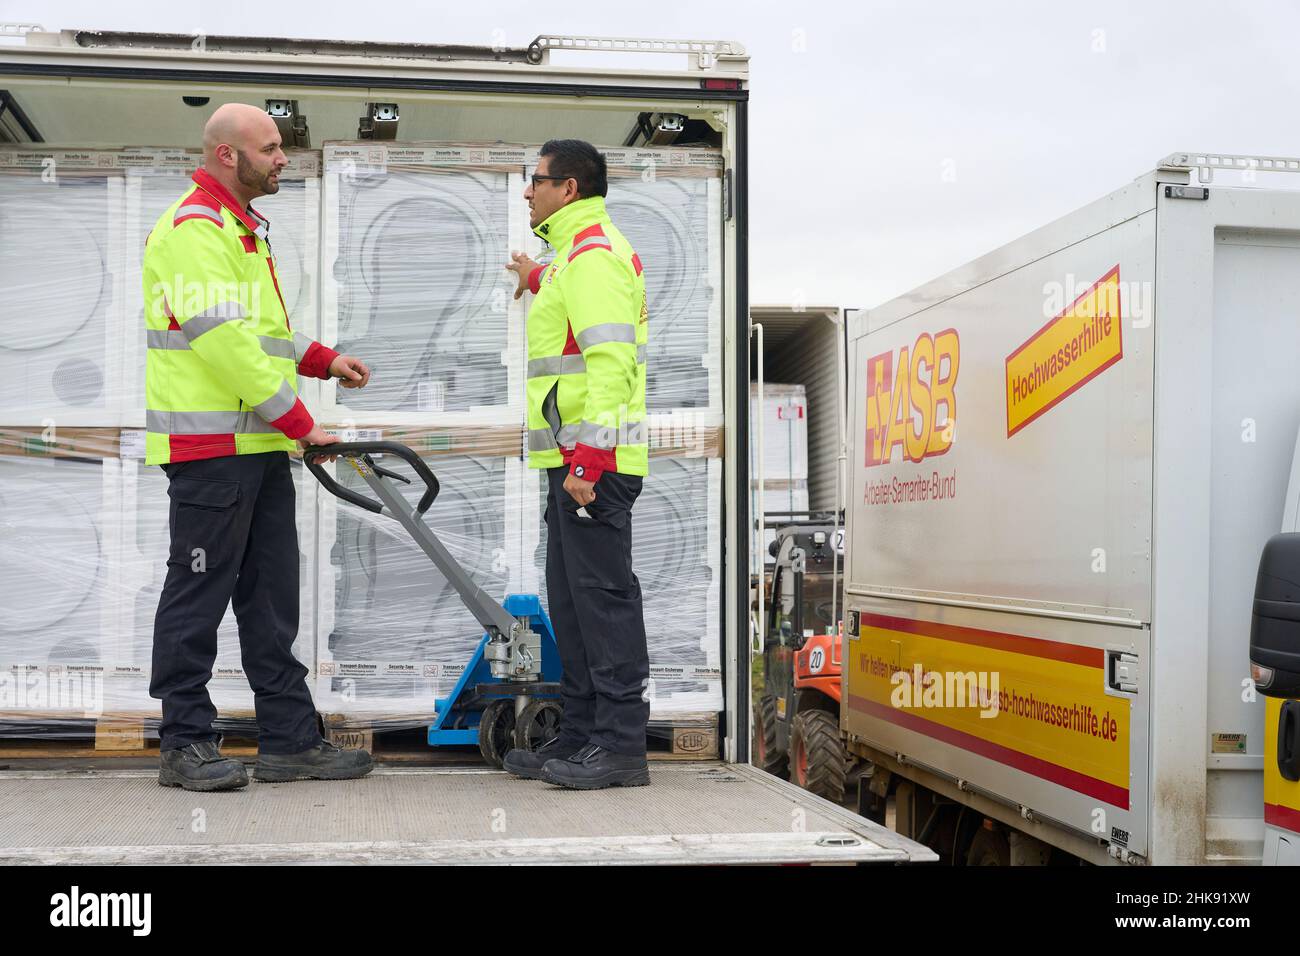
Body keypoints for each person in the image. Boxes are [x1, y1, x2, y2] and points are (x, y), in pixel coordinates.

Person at [142, 103, 372, 791]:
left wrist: (324, 360)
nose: (281, 160)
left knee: (271, 597)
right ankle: (185, 743)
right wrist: (305, 425)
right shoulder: (193, 230)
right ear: (226, 156)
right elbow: (224, 346)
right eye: (270, 149)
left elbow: (266, 337)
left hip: (258, 448)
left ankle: (290, 742)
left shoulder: (243, 232)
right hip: (210, 453)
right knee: (198, 593)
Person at [502, 139, 652, 789]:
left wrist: (588, 462)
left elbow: (611, 366)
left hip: (593, 464)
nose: (527, 192)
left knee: (603, 604)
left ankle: (620, 746)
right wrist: (533, 278)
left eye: (535, 181)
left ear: (568, 188)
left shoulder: (592, 258)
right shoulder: (570, 261)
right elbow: (568, 305)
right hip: (573, 461)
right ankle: (587, 732)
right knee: (573, 604)